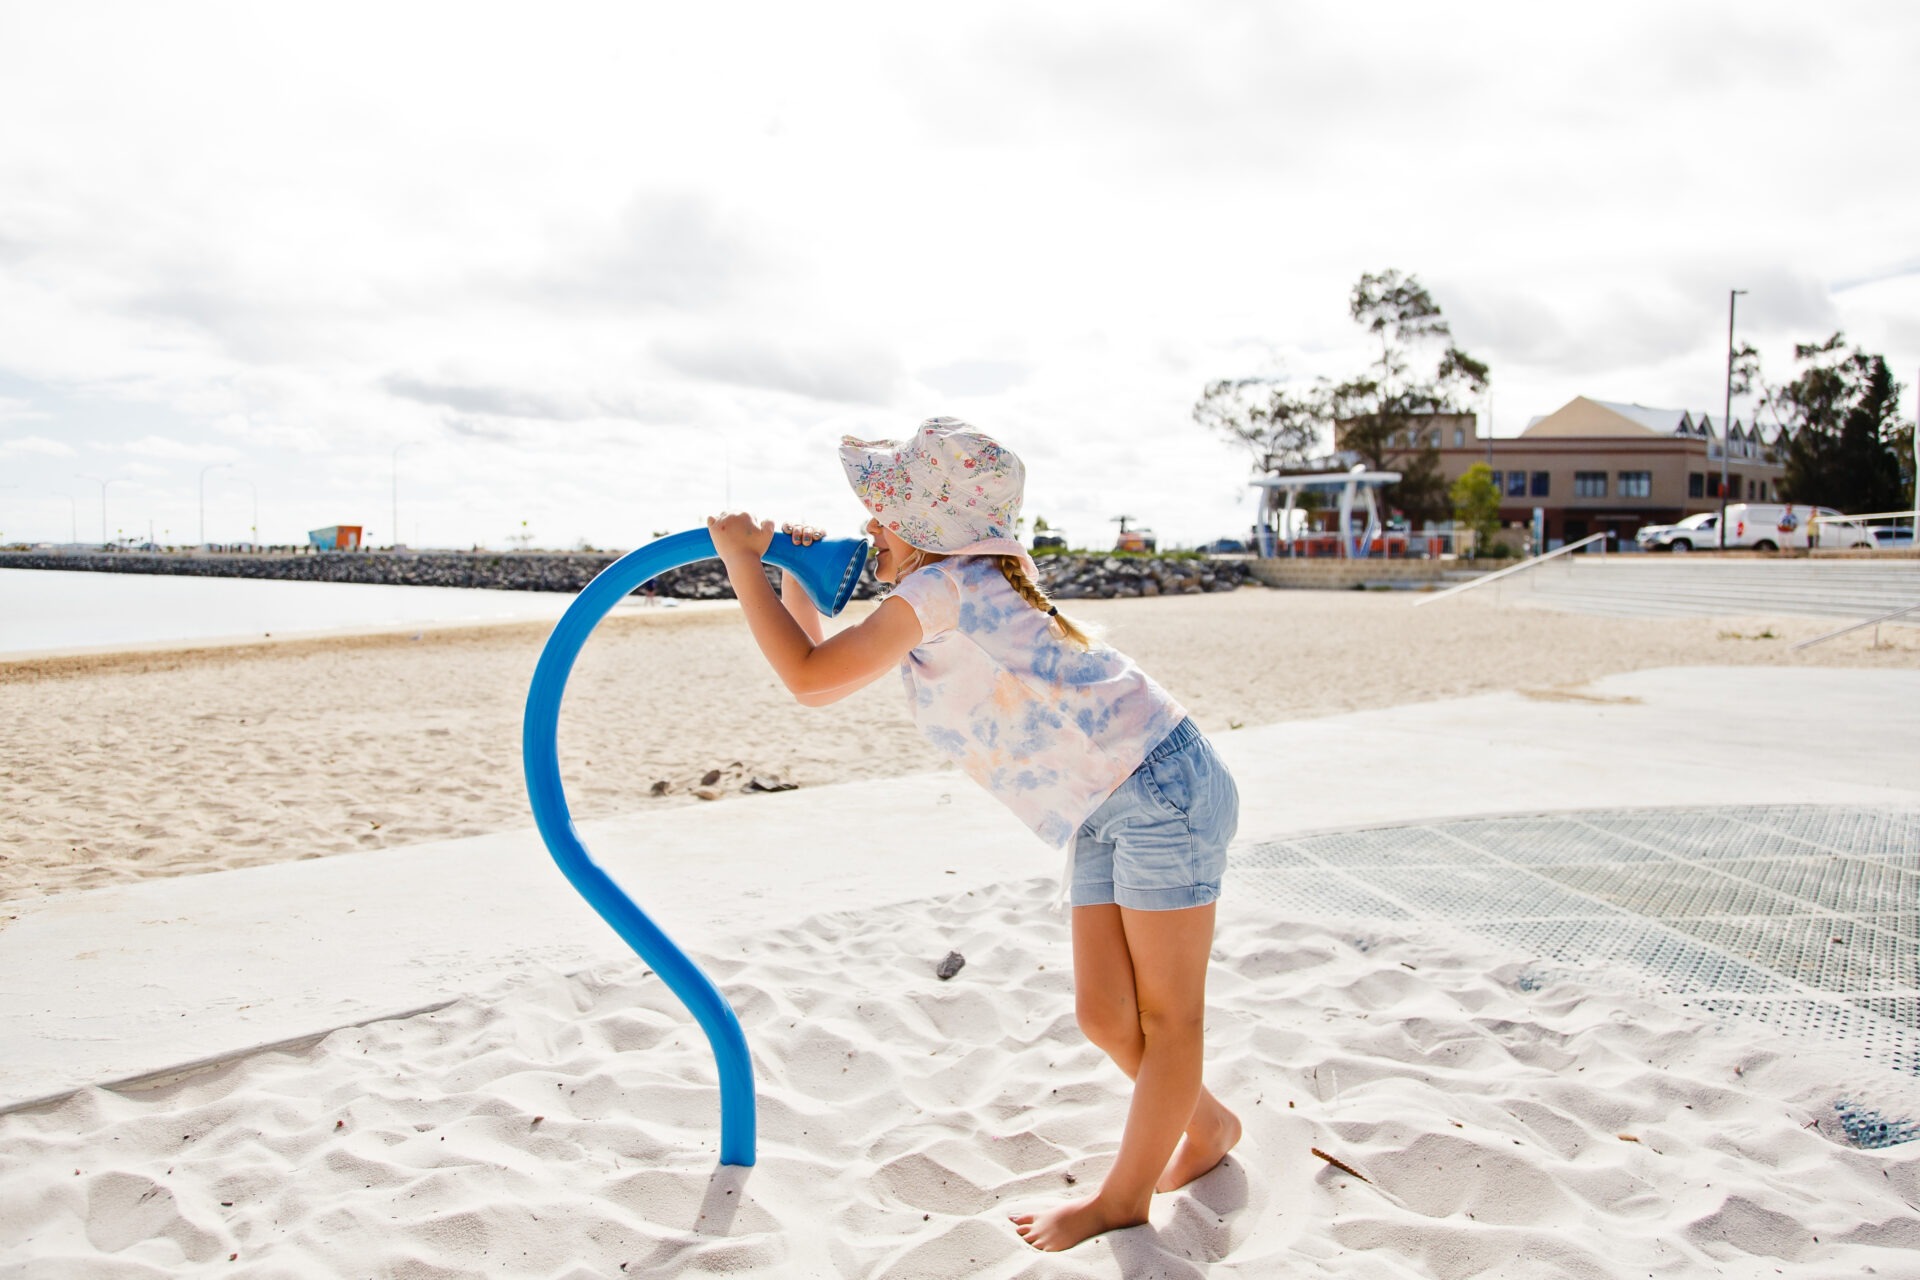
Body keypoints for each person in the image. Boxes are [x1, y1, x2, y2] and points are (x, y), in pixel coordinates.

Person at [706, 416, 1241, 1252]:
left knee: (1169, 1018)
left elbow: (809, 680)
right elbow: (821, 674)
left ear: (926, 528)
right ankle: (1207, 1128)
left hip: (1158, 788)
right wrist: (789, 577)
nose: (869, 526)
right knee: (1106, 1016)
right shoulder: (949, 589)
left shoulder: (942, 591)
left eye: (884, 513)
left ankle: (1122, 1202)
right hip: (1108, 800)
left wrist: (741, 563)